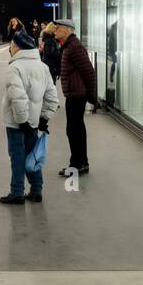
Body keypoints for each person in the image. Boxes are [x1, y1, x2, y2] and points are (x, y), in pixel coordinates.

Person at [1, 29, 58, 205]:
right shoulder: (43, 67)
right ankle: (36, 190)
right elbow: (52, 97)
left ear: (17, 47)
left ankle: (17, 192)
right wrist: (43, 119)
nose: (10, 47)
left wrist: (22, 121)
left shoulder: (14, 68)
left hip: (17, 123)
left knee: (17, 156)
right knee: (32, 156)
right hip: (33, 122)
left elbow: (18, 98)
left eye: (12, 45)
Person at [52, 19, 98, 176]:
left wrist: (91, 95)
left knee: (74, 130)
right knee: (75, 129)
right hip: (73, 94)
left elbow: (89, 72)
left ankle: (78, 164)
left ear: (67, 30)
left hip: (77, 95)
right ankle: (80, 163)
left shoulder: (74, 47)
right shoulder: (68, 46)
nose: (55, 30)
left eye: (58, 28)